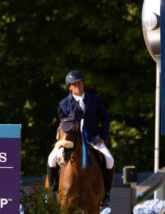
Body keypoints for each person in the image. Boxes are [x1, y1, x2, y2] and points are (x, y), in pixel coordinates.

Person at [46, 70, 114, 205]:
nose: (78, 86)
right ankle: (53, 193)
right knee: (51, 159)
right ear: (70, 87)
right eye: (75, 85)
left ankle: (105, 194)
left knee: (109, 159)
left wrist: (102, 136)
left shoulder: (94, 100)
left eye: (80, 83)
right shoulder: (64, 104)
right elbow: (63, 125)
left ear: (83, 84)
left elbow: (105, 118)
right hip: (70, 141)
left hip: (93, 139)